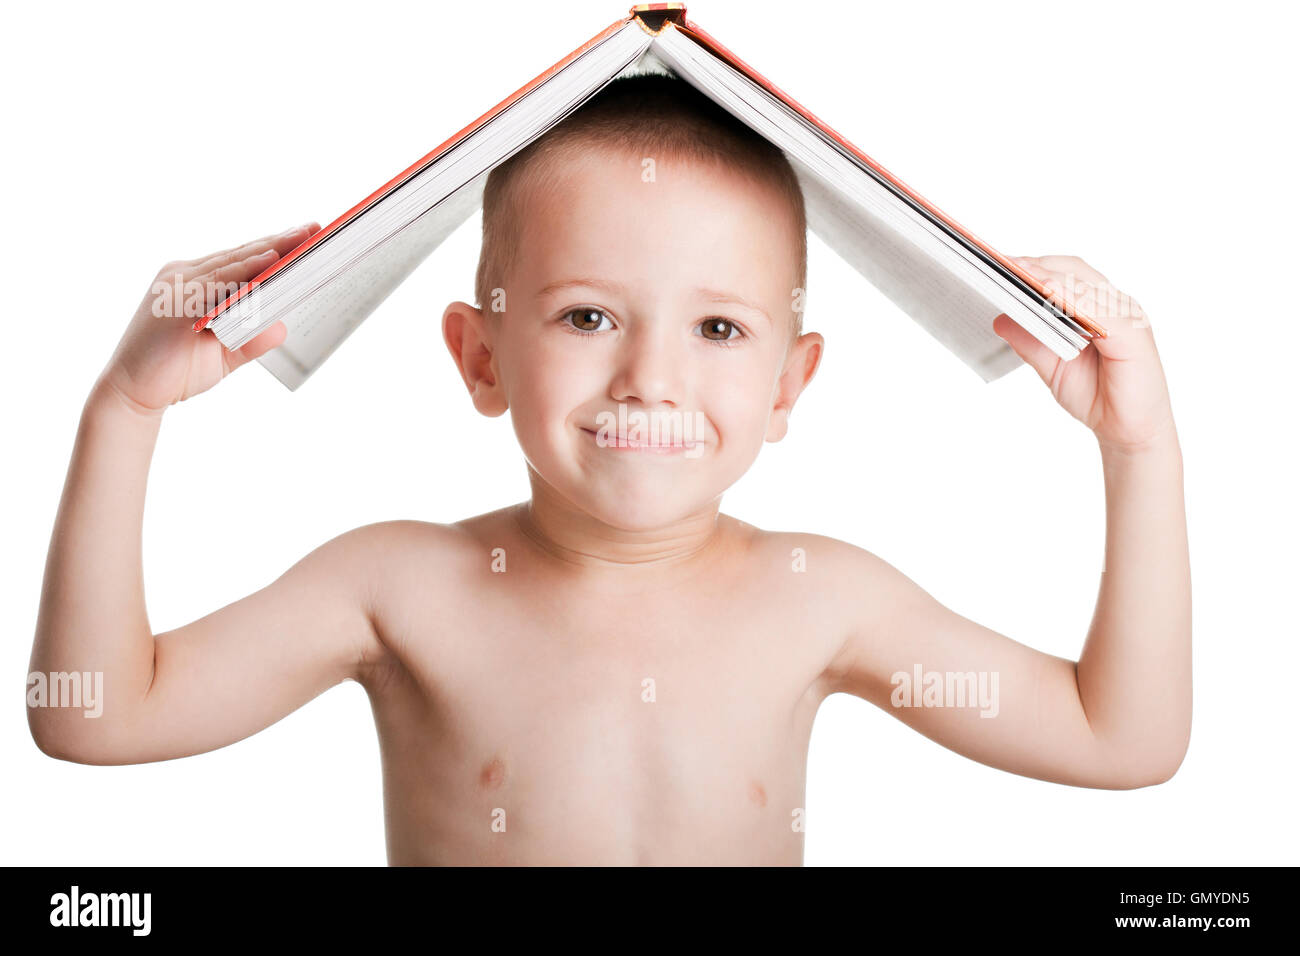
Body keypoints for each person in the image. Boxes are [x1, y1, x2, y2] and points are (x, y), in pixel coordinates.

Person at [27, 75, 1190, 865]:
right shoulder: (397, 586)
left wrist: (1135, 449)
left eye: (720, 331)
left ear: (790, 384)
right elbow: (95, 718)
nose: (649, 378)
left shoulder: (821, 597)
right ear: (480, 355)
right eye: (587, 315)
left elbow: (1119, 740)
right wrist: (125, 412)